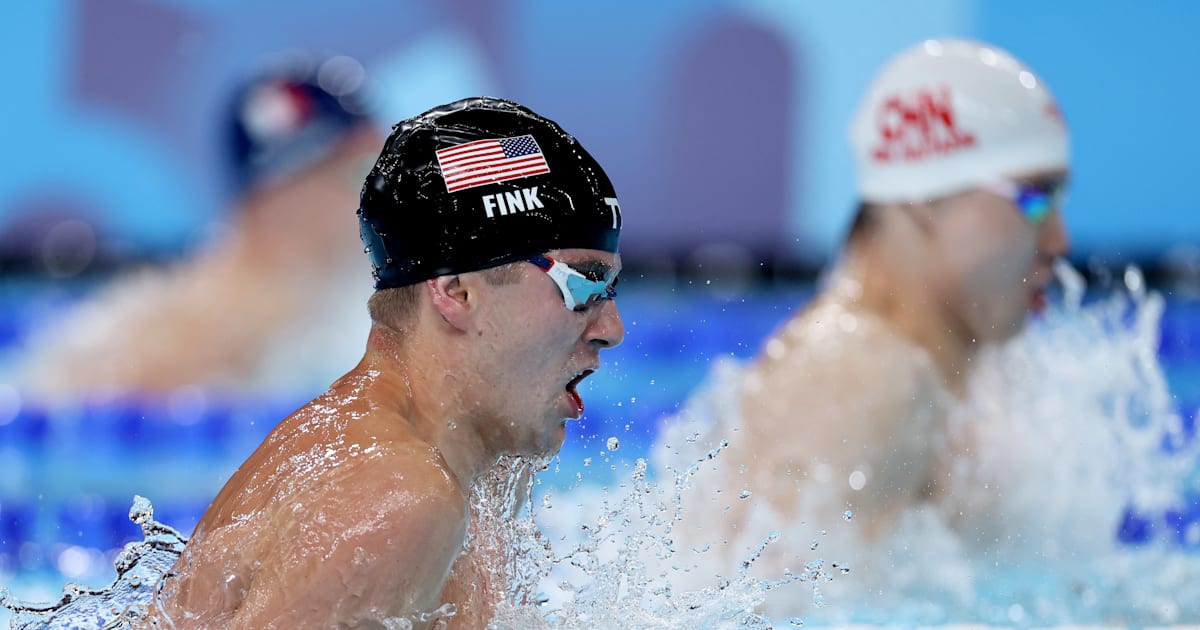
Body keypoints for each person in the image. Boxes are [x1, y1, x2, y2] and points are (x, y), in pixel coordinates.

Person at [149, 97, 625, 627]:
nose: (612, 328)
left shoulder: (454, 464)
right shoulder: (399, 499)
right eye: (583, 285)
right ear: (456, 291)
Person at [659, 38, 1071, 606]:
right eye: (1033, 199)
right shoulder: (862, 377)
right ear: (927, 192)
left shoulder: (938, 361)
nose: (1058, 240)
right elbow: (746, 611)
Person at [19, 54, 384, 396]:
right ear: (280, 200)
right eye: (364, 173)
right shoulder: (201, 326)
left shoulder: (332, 299)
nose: (388, 196)